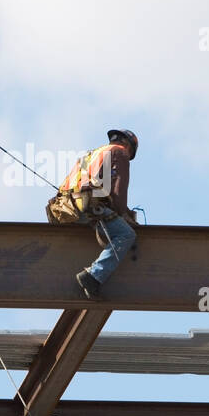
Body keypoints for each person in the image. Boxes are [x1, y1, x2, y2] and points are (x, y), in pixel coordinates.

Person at [56, 128, 138, 299]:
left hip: (67, 209)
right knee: (125, 234)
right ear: (128, 145)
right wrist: (122, 214)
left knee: (106, 229)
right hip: (90, 207)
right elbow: (118, 191)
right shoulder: (119, 152)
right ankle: (93, 276)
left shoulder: (89, 155)